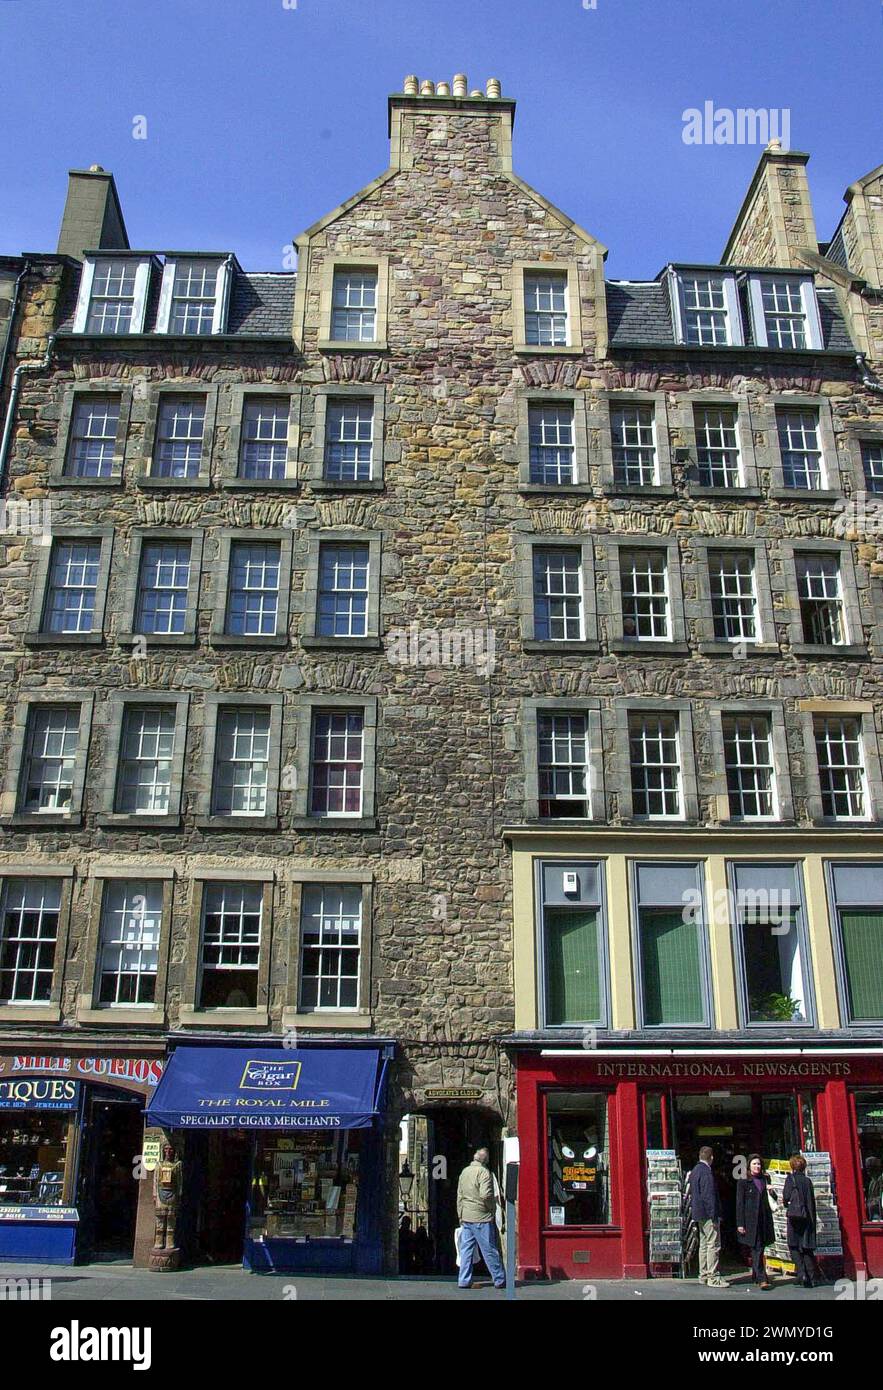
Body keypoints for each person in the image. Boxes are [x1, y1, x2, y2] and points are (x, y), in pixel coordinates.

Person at [456, 1146, 505, 1290]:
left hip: (466, 1216)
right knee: (489, 1249)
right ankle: (499, 1278)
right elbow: (485, 1195)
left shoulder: (464, 1172)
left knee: (466, 1250)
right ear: (486, 1160)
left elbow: (459, 1196)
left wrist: (460, 1214)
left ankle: (464, 1280)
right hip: (481, 1216)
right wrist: (492, 1208)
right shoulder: (484, 1172)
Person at [689, 1145, 729, 1288]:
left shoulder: (695, 1171)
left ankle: (704, 1274)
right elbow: (708, 1195)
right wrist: (714, 1215)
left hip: (699, 1214)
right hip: (708, 1214)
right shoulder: (706, 1172)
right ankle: (713, 1277)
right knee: (713, 1245)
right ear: (711, 1157)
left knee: (704, 1244)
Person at [736, 1154, 775, 1289]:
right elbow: (739, 1203)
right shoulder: (743, 1181)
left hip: (764, 1219)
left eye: (758, 1164)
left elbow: (773, 1198)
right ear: (749, 1166)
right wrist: (740, 1223)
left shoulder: (765, 1179)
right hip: (751, 1220)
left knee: (760, 1247)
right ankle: (762, 1278)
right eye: (754, 1164)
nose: (757, 1166)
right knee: (757, 1248)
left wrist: (771, 1190)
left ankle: (755, 1274)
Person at [782, 1154, 819, 1289]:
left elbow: (786, 1197)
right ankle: (812, 1277)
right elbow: (811, 1201)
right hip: (807, 1217)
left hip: (794, 1217)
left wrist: (787, 1203)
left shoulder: (790, 1179)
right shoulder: (808, 1181)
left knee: (793, 1245)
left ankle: (801, 1273)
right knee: (806, 1247)